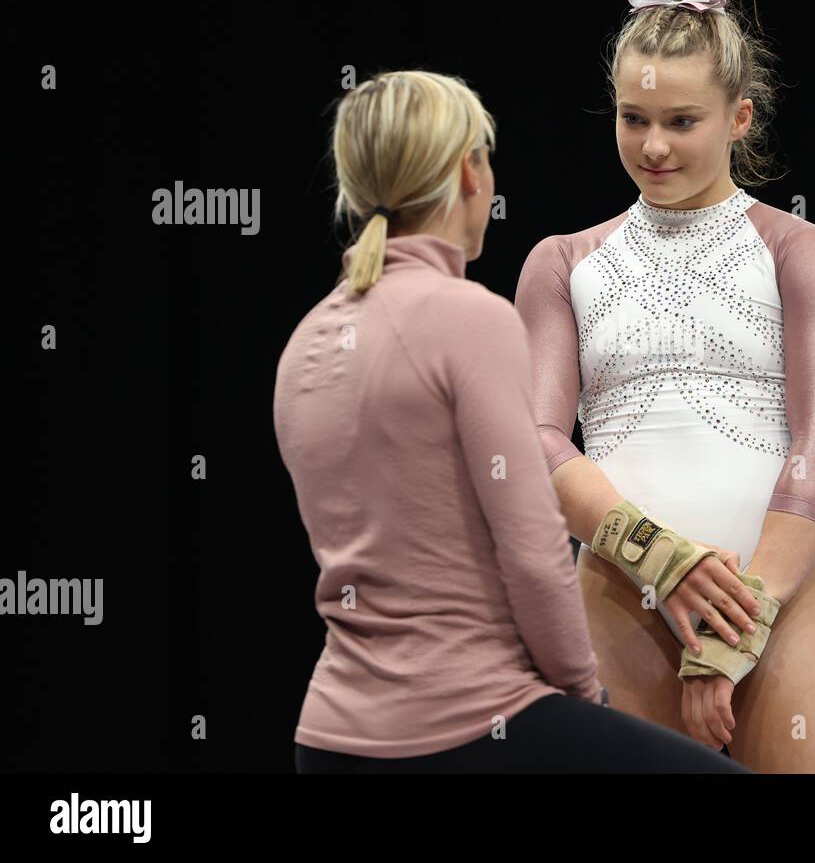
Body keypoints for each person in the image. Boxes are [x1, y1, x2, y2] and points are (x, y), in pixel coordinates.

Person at [273, 70, 749, 773]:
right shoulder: (470, 318)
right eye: (486, 161)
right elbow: (532, 552)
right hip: (467, 726)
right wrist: (587, 704)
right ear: (470, 172)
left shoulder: (306, 340)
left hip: (331, 742)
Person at [514, 0, 815, 772]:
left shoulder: (802, 251)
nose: (653, 147)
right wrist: (663, 562)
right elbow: (536, 444)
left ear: (740, 116)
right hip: (619, 610)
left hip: (772, 608)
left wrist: (734, 629)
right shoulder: (563, 262)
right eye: (632, 119)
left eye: (682, 122)